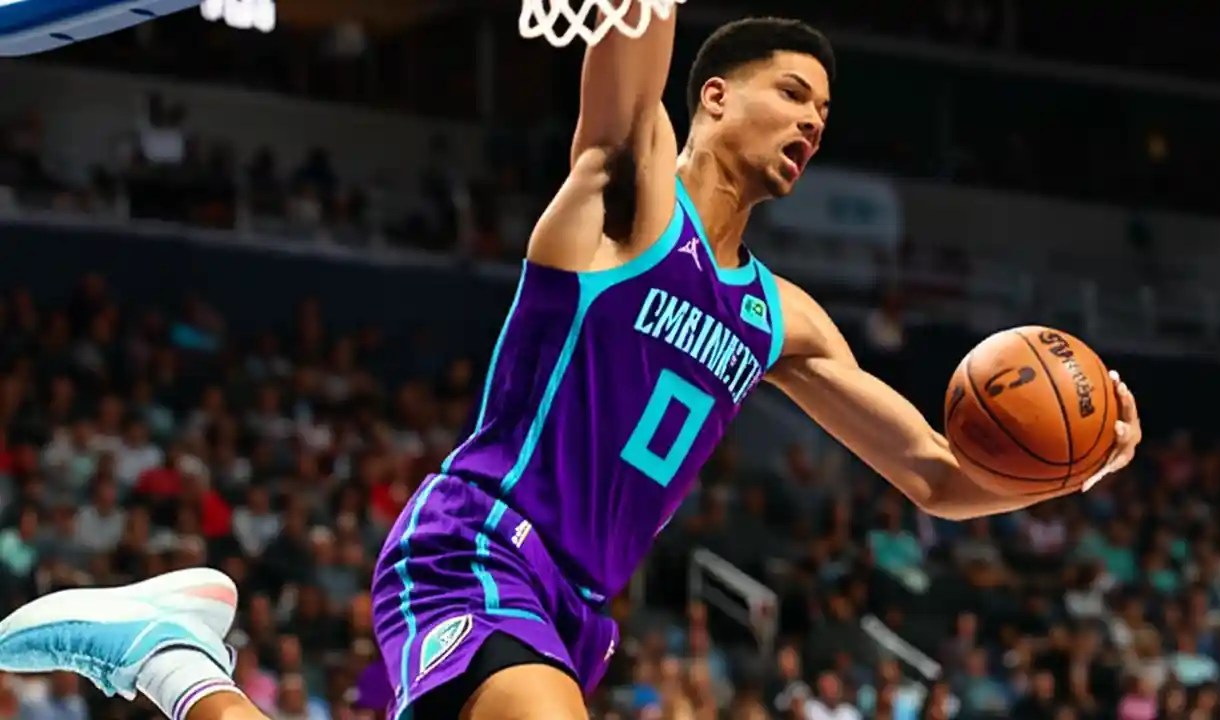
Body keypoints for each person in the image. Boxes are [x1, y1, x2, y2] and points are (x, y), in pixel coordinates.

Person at [0, 7, 1143, 720]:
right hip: (478, 546)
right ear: (712, 94)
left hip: (577, 610)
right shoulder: (631, 197)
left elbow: (938, 476)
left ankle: (168, 661)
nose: (810, 123)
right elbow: (620, 90)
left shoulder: (781, 316)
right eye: (791, 94)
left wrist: (1066, 472)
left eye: (824, 112)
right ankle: (165, 661)